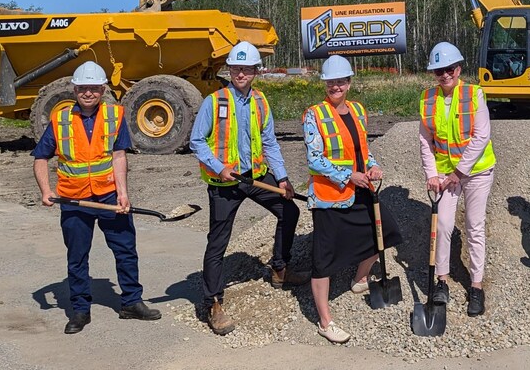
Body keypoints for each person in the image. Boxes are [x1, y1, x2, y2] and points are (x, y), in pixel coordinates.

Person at [32, 60, 162, 334]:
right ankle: (80, 310)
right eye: (83, 88)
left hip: (109, 197)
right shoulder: (61, 119)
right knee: (77, 257)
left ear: (103, 89)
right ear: (75, 90)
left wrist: (123, 194)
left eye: (94, 88)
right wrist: (46, 191)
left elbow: (118, 156)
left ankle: (131, 303)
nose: (88, 93)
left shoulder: (115, 115)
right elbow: (40, 157)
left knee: (125, 251)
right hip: (73, 201)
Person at [190, 40, 308, 336]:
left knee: (289, 211)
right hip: (224, 183)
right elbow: (196, 141)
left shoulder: (260, 102)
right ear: (229, 70)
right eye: (236, 68)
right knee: (218, 242)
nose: (241, 73)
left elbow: (269, 141)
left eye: (247, 69)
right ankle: (212, 303)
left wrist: (282, 178)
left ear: (256, 71)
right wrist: (219, 167)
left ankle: (279, 269)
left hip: (254, 176)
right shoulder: (214, 102)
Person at [302, 55, 402, 344]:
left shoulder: (358, 110)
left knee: (387, 231)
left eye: (341, 81)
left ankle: (360, 279)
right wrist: (350, 175)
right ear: (324, 83)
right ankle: (325, 321)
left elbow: (362, 149)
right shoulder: (314, 115)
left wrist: (372, 165)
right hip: (329, 196)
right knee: (323, 260)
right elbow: (314, 160)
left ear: (349, 83)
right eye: (331, 81)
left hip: (360, 187)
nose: (336, 86)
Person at [418, 41, 495, 317]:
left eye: (449, 69)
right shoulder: (428, 99)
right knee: (443, 225)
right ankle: (442, 281)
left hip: (475, 172)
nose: (445, 74)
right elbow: (425, 140)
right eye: (439, 71)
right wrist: (432, 175)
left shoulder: (475, 95)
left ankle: (476, 286)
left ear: (459, 69)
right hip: (444, 175)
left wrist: (459, 172)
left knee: (474, 226)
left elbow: (481, 136)